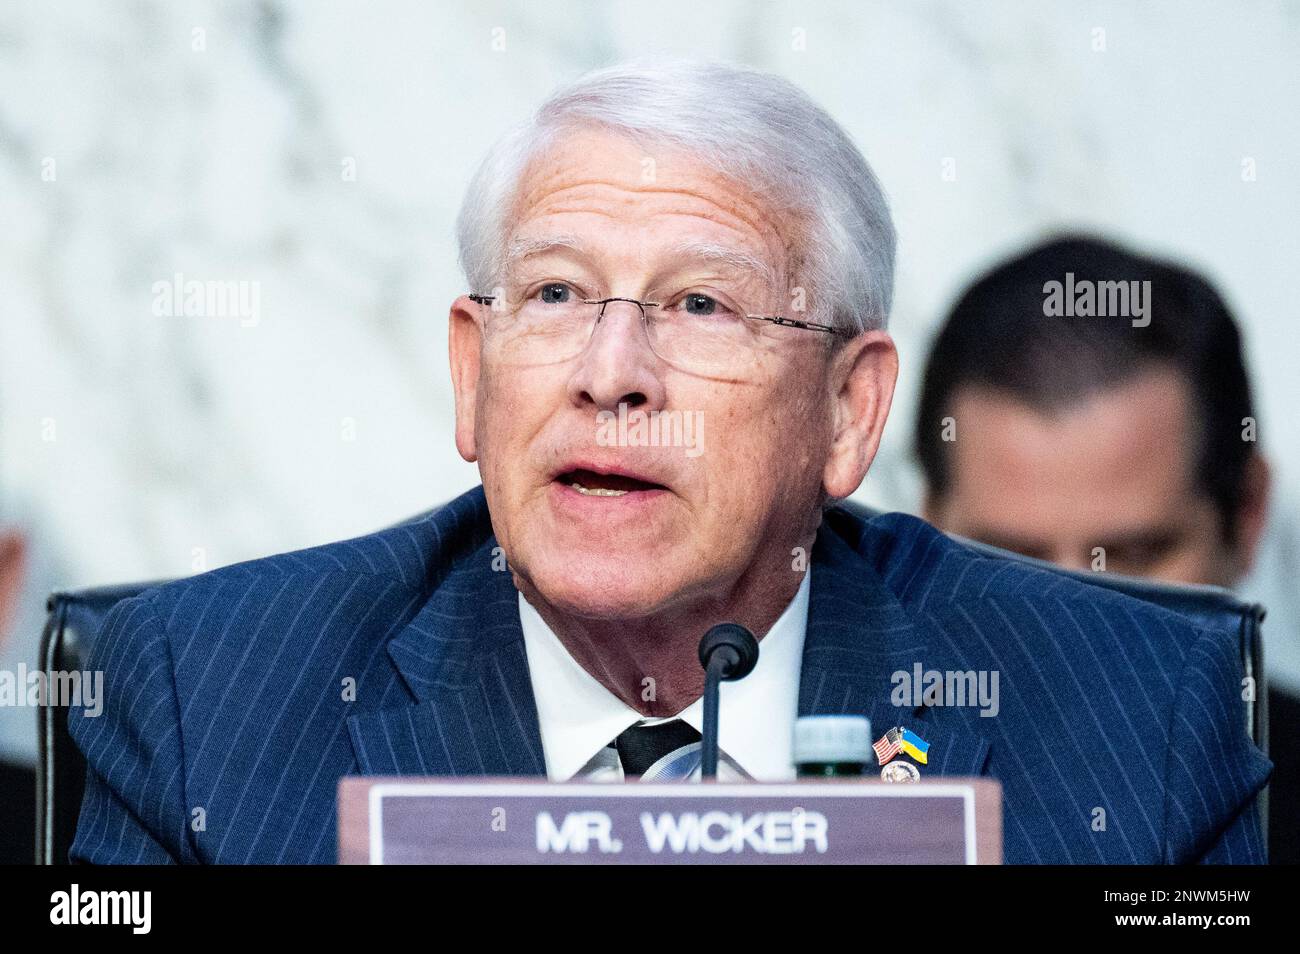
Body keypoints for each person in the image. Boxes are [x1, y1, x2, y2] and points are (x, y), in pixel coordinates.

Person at [69, 62, 1268, 864]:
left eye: (700, 304)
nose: (611, 371)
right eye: (554, 293)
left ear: (850, 411)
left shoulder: (1140, 717)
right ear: (472, 374)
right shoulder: (202, 706)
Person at [915, 234, 1291, 862]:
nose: (1073, 626)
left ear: (1247, 516)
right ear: (928, 534)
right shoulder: (823, 795)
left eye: (1136, 555)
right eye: (1006, 560)